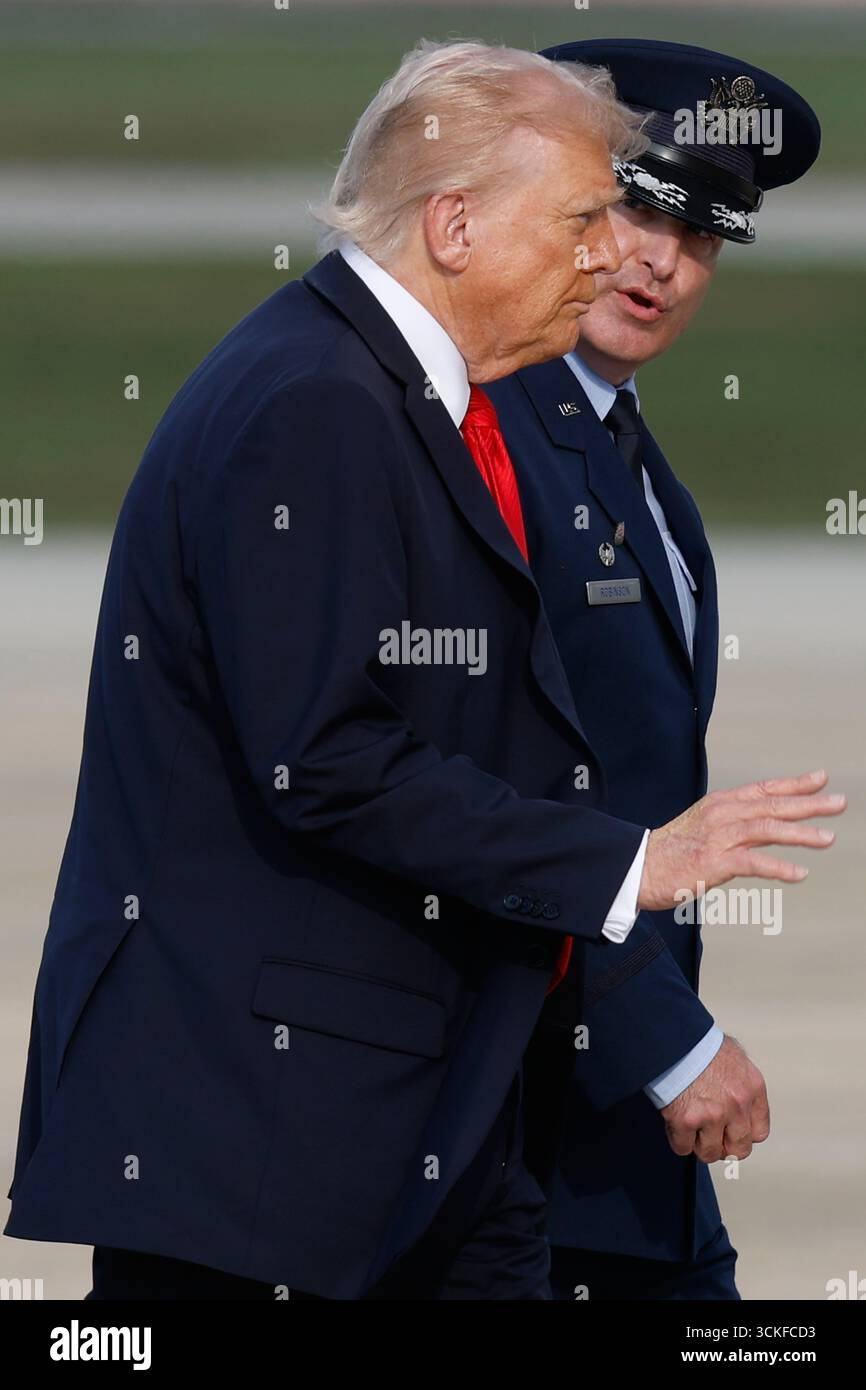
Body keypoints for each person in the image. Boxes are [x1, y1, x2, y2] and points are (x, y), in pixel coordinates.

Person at [4, 40, 842, 1302]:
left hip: (431, 1122)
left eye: (681, 234)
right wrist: (633, 883)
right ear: (454, 224)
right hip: (277, 1146)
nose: (616, 255)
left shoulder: (436, 404)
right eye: (587, 218)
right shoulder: (323, 404)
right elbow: (330, 758)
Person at [487, 38, 826, 1301]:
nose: (659, 262)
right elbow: (497, 774)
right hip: (521, 1124)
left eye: (700, 237)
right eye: (634, 208)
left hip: (618, 1133)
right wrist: (664, 1040)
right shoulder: (489, 428)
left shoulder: (636, 469)